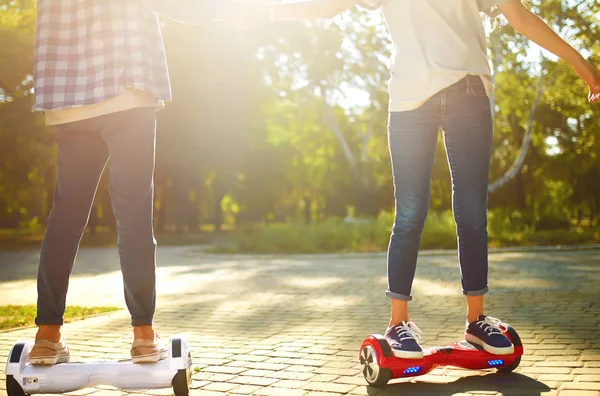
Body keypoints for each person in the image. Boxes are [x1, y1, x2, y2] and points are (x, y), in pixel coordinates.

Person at [246, 0, 600, 358]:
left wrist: (581, 64)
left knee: (472, 212)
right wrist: (267, 11)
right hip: (410, 100)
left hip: (469, 92)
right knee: (411, 212)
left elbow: (519, 16)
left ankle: (476, 320)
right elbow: (328, 7)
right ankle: (397, 323)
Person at [29, 1, 235, 365]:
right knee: (134, 211)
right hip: (126, 88)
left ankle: (47, 336)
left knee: (65, 218)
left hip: (66, 96)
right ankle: (143, 336)